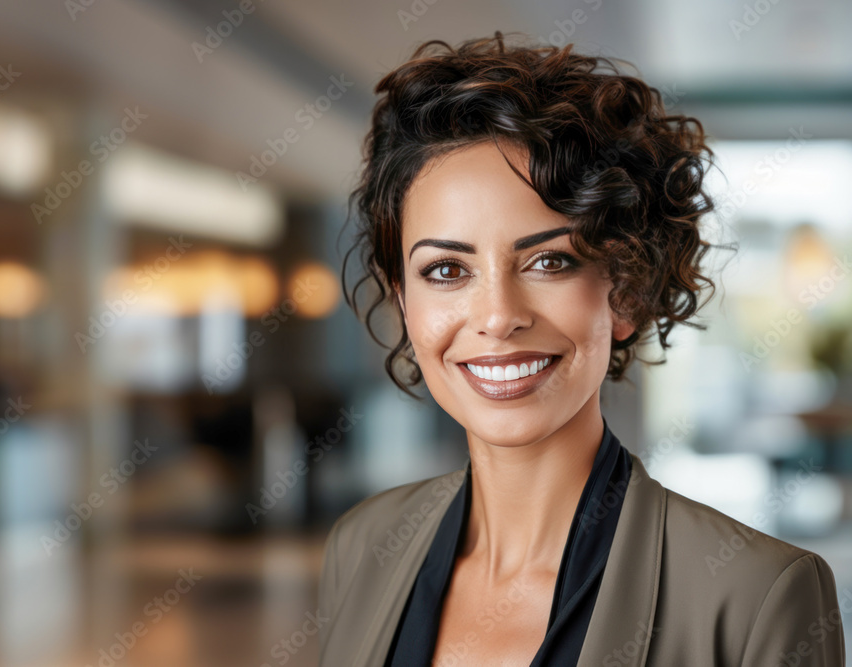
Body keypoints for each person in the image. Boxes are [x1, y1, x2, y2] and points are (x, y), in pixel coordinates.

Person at [320, 31, 846, 667]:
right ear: (404, 300)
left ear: (624, 291)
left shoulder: (755, 595)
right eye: (447, 271)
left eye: (549, 261)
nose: (498, 317)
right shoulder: (362, 546)